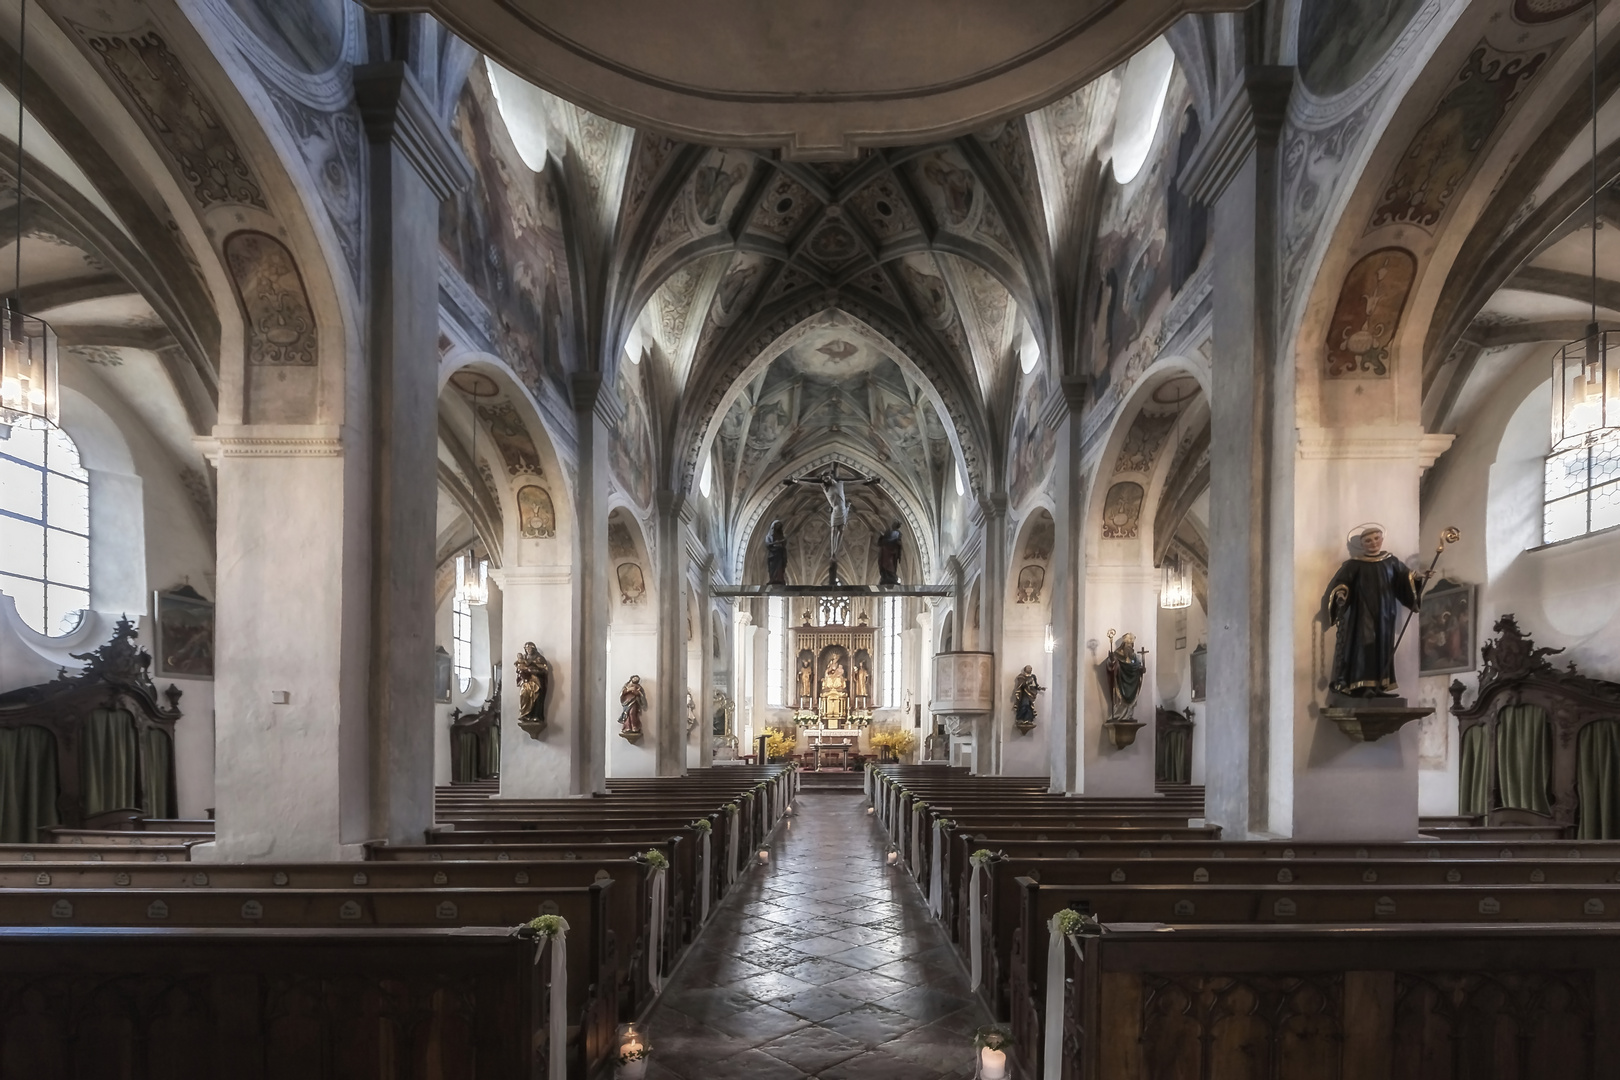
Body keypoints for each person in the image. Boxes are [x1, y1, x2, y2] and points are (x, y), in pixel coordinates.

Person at [1322, 522, 1428, 698]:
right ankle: (1361, 686)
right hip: (1363, 612)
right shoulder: (1354, 564)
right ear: (1362, 544)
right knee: (1364, 645)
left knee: (1383, 646)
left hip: (1386, 613)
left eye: (1376, 538)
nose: (1373, 543)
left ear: (1382, 539)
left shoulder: (1391, 561)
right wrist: (1341, 592)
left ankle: (1379, 686)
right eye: (1368, 540)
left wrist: (1416, 577)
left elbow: (1404, 578)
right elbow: (1343, 582)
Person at [1104, 634, 1146, 722]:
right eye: (1128, 645)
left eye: (1131, 646)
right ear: (1123, 645)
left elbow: (1137, 667)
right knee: (1120, 701)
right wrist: (1112, 661)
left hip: (1132, 684)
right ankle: (1118, 716)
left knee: (1131, 703)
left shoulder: (1134, 657)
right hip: (1121, 681)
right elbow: (1111, 665)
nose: (1129, 648)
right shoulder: (1117, 654)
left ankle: (1128, 716)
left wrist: (1141, 669)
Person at [514, 642, 550, 735]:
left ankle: (536, 716)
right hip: (526, 682)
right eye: (526, 649)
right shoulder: (524, 658)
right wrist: (521, 670)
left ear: (534, 649)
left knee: (537, 697)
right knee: (523, 695)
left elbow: (544, 670)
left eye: (530, 648)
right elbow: (519, 669)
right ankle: (525, 715)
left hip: (536, 682)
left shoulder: (539, 658)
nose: (528, 650)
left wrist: (534, 670)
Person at [765, 520, 788, 585]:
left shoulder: (781, 536)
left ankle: (779, 579)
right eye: (777, 526)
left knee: (779, 568)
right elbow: (767, 544)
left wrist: (782, 542)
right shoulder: (769, 536)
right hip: (773, 555)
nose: (778, 527)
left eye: (779, 526)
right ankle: (773, 579)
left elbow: (784, 544)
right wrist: (775, 543)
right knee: (773, 568)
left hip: (780, 554)